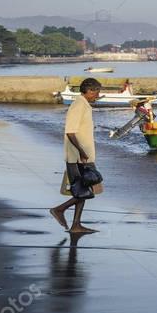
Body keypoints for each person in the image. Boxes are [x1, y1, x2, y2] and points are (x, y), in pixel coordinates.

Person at [50, 78, 103, 234]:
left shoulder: (84, 104)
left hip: (82, 155)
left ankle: (76, 225)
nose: (98, 95)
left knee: (84, 189)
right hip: (77, 157)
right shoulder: (78, 105)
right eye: (97, 92)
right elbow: (70, 131)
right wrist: (81, 151)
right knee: (85, 189)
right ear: (89, 90)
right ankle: (59, 210)